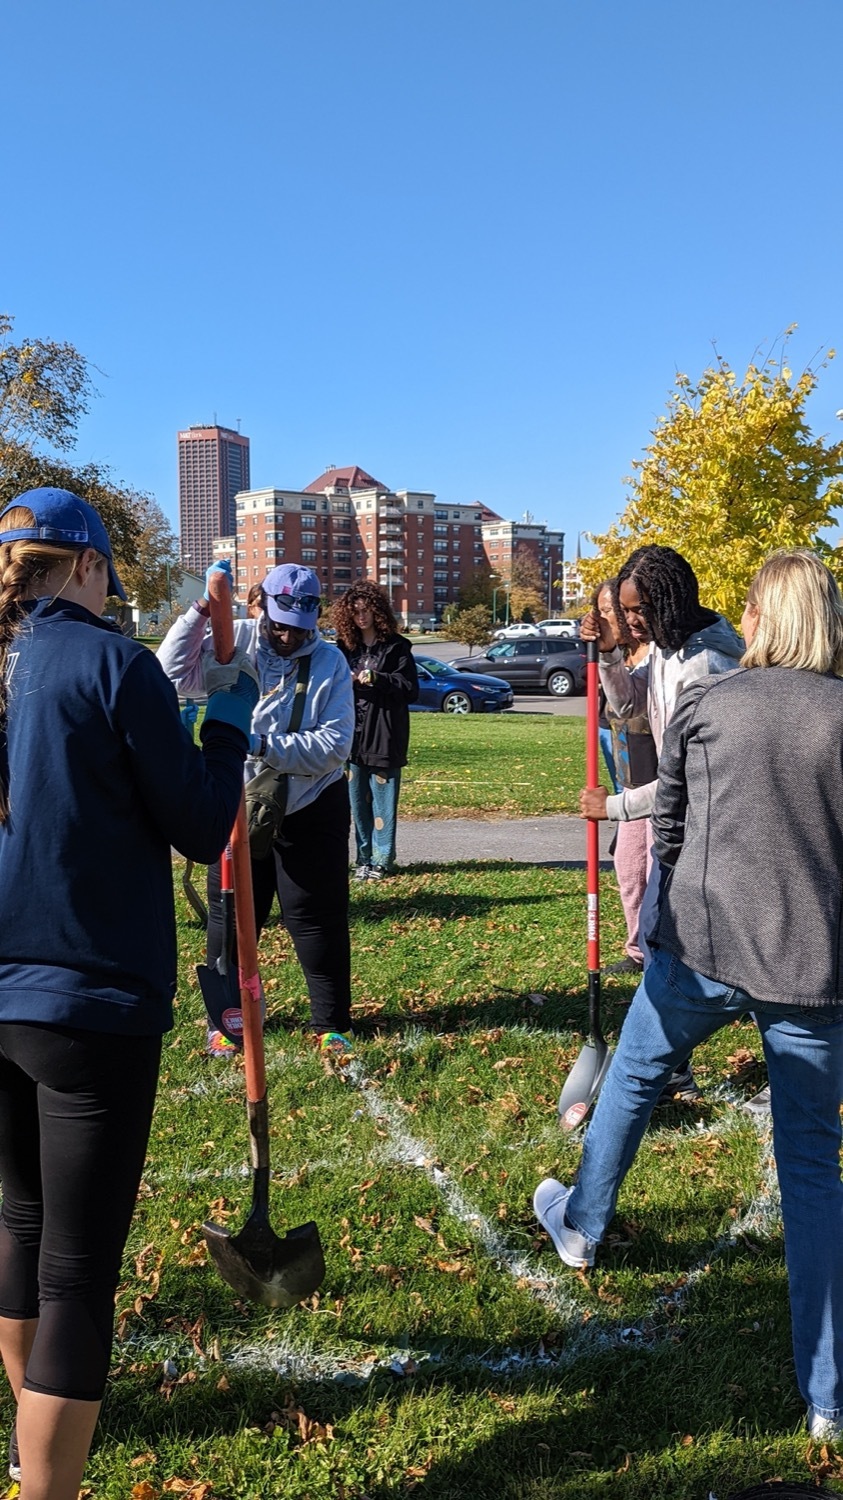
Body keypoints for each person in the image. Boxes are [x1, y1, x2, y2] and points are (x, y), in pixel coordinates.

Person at [536, 550, 843, 1442]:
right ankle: (828, 1395)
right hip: (804, 963)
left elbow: (669, 824)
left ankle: (584, 1225)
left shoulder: (714, 701)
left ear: (767, 613)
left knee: (634, 1077)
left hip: (708, 944)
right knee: (810, 1171)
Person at [0, 488, 256, 1500]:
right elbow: (201, 824)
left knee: (19, 1224)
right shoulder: (115, 663)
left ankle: (33, 1440)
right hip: (87, 998)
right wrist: (228, 723)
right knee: (73, 1269)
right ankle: (46, 1482)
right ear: (91, 568)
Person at [158, 562, 356, 1057]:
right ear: (262, 606)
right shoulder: (234, 636)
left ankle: (331, 1023)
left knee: (314, 916)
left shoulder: (330, 662)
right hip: (237, 801)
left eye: (300, 626)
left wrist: (261, 744)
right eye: (280, 621)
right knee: (229, 917)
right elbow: (168, 675)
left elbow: (335, 745)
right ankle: (226, 1021)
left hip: (311, 803)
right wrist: (204, 609)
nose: (288, 635)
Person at [579, 545, 743, 1098]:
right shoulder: (666, 652)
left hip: (711, 828)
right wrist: (606, 655)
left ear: (668, 600)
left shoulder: (709, 665)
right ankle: (670, 1064)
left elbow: (687, 776)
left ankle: (668, 1064)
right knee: (661, 942)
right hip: (678, 823)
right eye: (622, 613)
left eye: (635, 611)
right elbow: (627, 713)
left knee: (687, 950)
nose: (628, 622)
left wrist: (617, 807)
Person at [333, 582, 419, 879]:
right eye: (355, 612)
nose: (361, 617)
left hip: (385, 733)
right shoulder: (345, 648)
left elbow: (410, 689)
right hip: (353, 734)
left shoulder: (397, 646)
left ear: (377, 611)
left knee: (383, 799)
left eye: (366, 610)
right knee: (357, 801)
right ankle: (364, 859)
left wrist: (378, 678)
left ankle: (383, 859)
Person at [593, 580, 656, 976]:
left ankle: (657, 952)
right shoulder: (617, 656)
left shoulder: (658, 656)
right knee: (629, 867)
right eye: (600, 610)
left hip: (661, 781)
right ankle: (638, 949)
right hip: (629, 775)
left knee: (655, 871)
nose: (606, 617)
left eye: (611, 609)